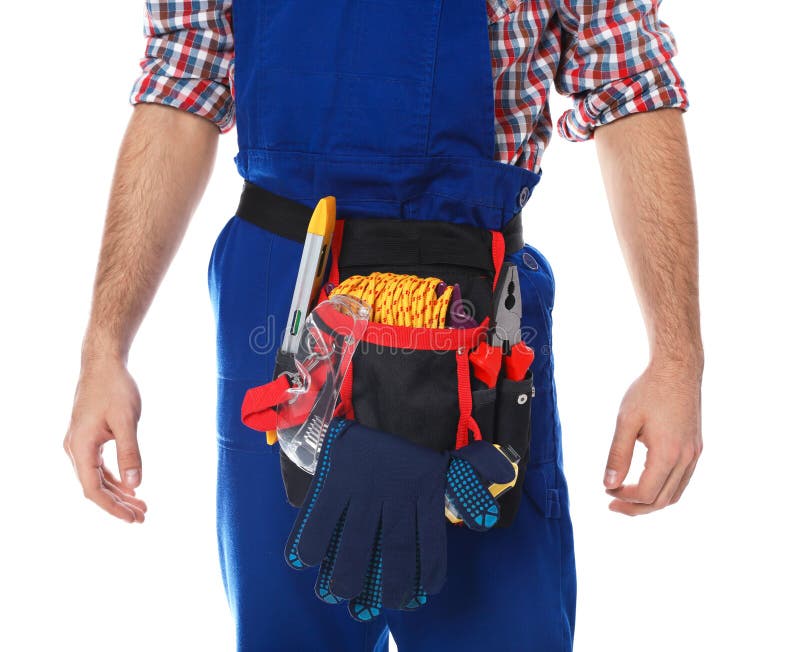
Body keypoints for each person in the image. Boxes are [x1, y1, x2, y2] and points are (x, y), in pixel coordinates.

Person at [63, 1, 704, 650]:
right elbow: (182, 79)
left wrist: (676, 358)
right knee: (293, 634)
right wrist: (105, 347)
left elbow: (631, 82)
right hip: (285, 285)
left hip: (470, 304)